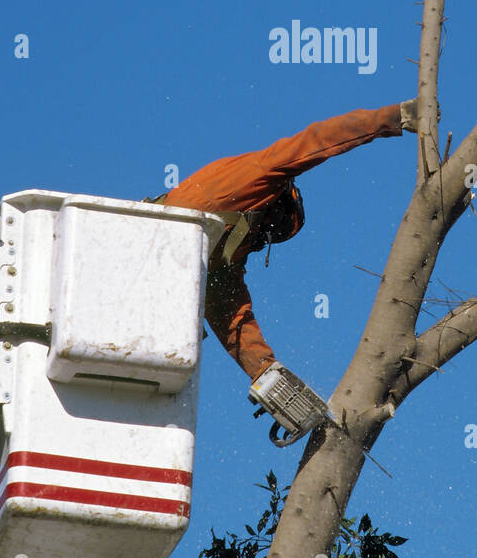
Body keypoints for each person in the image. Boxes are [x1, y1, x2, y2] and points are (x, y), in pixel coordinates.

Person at [154, 101, 420, 418]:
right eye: (265, 235)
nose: (257, 243)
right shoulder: (260, 174)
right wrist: (393, 118)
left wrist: (266, 376)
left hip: (151, 289)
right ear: (276, 209)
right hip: (141, 250)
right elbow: (318, 138)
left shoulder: (222, 257)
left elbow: (233, 322)